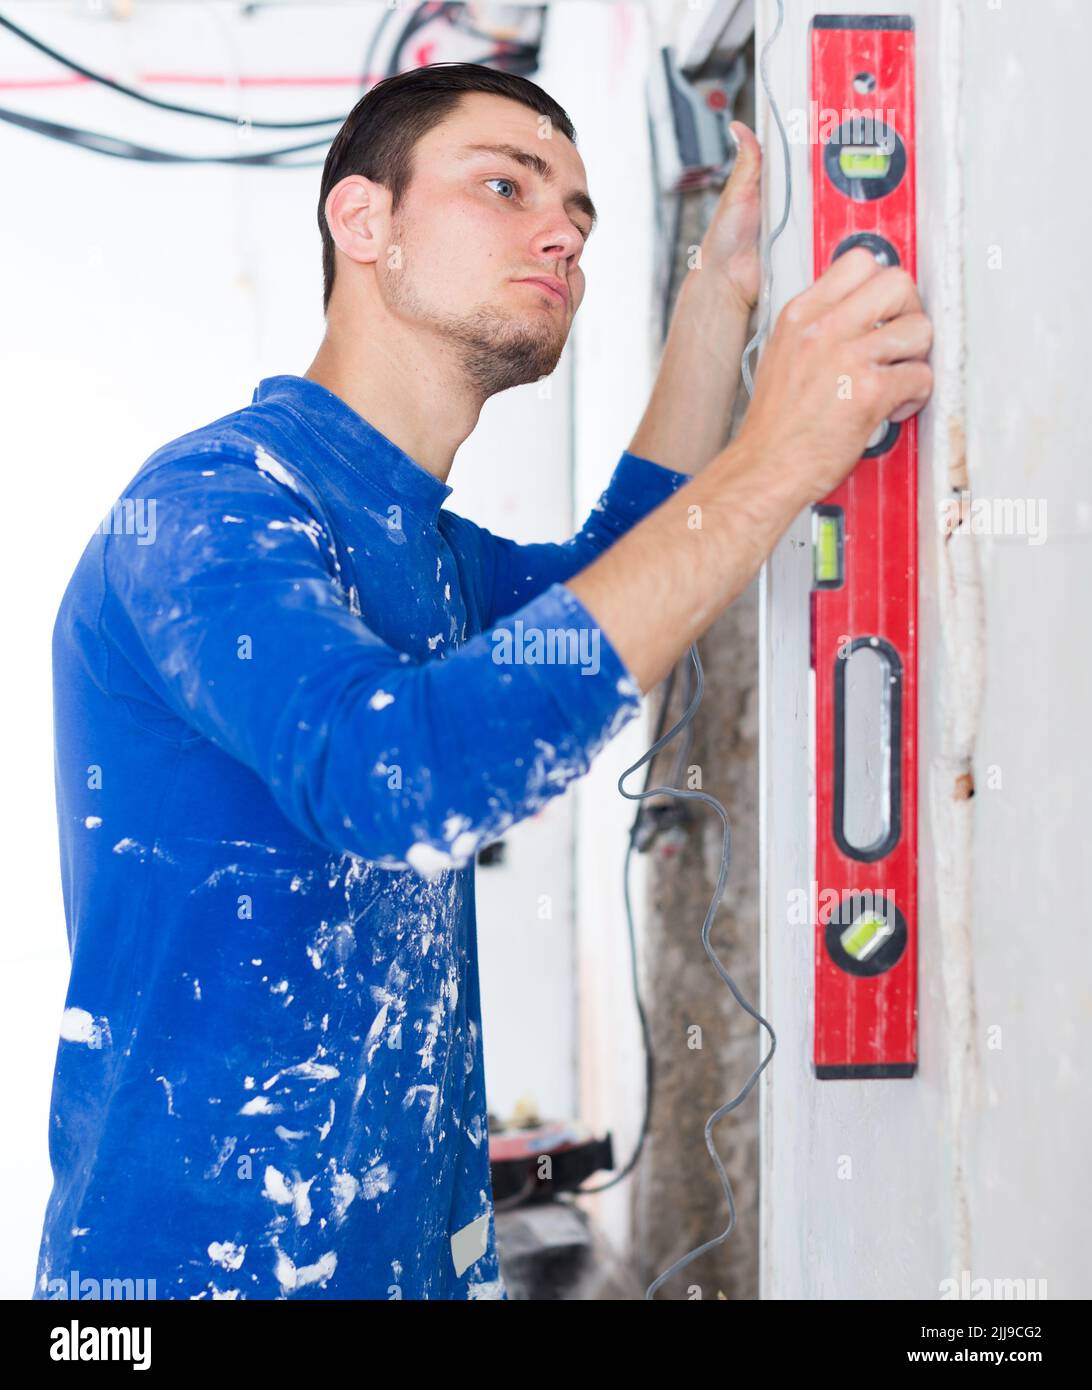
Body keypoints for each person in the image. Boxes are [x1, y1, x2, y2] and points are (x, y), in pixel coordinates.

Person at [33, 61, 932, 1302]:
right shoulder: (210, 509)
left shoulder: (424, 548)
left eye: (577, 211)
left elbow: (620, 585)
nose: (560, 229)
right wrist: (778, 451)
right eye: (504, 185)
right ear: (365, 222)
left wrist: (719, 292)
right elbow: (400, 774)